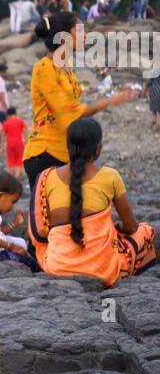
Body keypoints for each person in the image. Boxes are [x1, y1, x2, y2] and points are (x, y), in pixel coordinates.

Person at [29, 118, 156, 287]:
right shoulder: (110, 176)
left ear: (68, 146)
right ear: (98, 149)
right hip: (102, 270)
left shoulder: (47, 177)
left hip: (57, 266)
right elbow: (131, 227)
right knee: (146, 231)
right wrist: (116, 228)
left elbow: (39, 233)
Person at [24, 12, 139, 193]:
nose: (85, 35)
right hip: (45, 153)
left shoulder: (66, 68)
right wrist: (110, 101)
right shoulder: (45, 68)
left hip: (65, 152)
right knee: (47, 217)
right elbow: (69, 115)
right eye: (79, 31)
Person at [0, 108, 28, 180]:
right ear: (15, 113)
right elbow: (25, 133)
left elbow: (3, 135)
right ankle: (16, 178)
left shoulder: (6, 122)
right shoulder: (20, 121)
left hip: (10, 144)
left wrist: (2, 147)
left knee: (11, 161)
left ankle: (12, 179)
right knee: (19, 161)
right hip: (19, 143)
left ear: (8, 115)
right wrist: (27, 143)